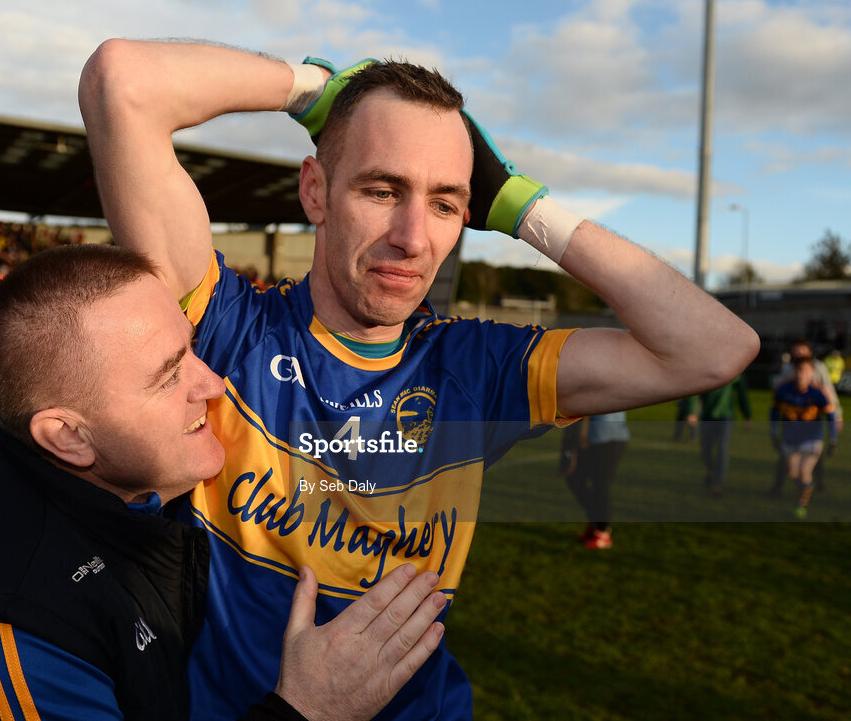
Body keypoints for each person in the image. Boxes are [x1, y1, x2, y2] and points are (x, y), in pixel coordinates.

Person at [78, 42, 759, 719]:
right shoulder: (227, 327)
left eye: (444, 204)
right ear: (315, 190)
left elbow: (713, 349)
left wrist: (525, 208)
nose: (412, 236)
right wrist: (313, 90)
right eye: (382, 190)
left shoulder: (477, 372)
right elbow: (122, 81)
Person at [0, 245, 446, 721]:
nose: (214, 385)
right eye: (167, 376)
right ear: (68, 437)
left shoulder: (126, 486)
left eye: (191, 348)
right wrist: (309, 710)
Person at [769, 341, 842, 495]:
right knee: (787, 460)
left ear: (809, 352)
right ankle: (781, 485)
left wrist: (837, 414)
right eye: (796, 352)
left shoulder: (818, 367)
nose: (799, 355)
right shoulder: (789, 368)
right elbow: (778, 391)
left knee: (813, 458)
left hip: (811, 420)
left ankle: (816, 485)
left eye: (802, 352)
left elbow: (828, 391)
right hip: (791, 422)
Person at [561, 412, 629, 549]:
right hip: (597, 437)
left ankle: (602, 532)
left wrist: (581, 435)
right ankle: (596, 522)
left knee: (600, 485)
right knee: (575, 479)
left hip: (607, 439)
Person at [680, 374, 752, 497]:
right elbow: (694, 389)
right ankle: (711, 470)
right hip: (707, 415)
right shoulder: (706, 367)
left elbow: (742, 393)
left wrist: (747, 414)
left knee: (722, 448)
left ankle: (718, 484)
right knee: (705, 450)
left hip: (726, 416)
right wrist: (691, 411)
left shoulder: (733, 368)